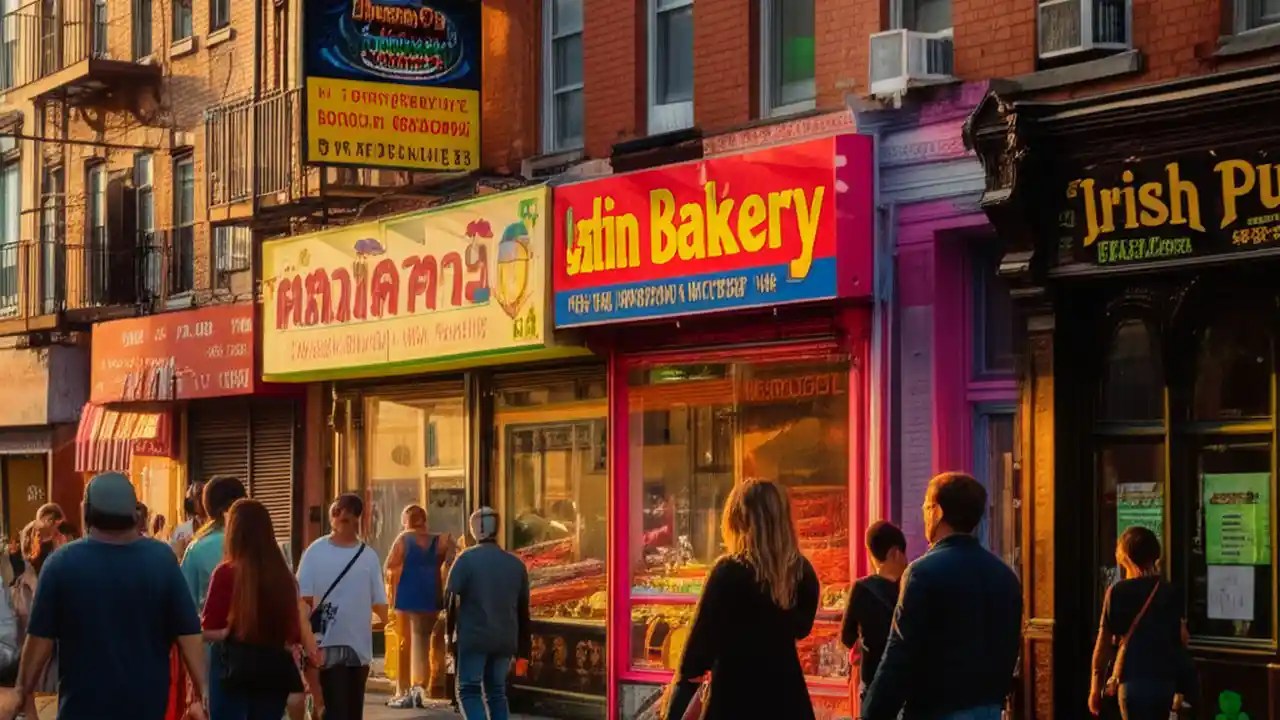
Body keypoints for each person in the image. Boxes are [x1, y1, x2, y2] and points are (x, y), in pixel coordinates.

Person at [4, 471, 207, 720]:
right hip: (146, 707)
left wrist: (22, 693)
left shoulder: (61, 564)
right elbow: (189, 635)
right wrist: (203, 692)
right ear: (134, 513)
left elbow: (39, 641)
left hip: (81, 709)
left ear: (86, 512)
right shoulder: (161, 560)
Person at [862, 472, 1022, 720]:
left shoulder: (922, 573)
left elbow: (899, 656)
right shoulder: (1005, 577)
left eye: (927, 506)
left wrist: (873, 714)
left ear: (937, 512)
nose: (924, 514)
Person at [662, 479, 820, 720]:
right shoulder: (802, 573)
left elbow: (693, 661)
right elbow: (802, 628)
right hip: (788, 702)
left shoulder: (728, 573)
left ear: (738, 521)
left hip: (732, 702)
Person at [202, 499, 314, 720]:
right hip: (272, 670)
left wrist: (226, 632)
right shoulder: (283, 577)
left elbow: (208, 629)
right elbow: (292, 633)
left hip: (232, 670)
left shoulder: (226, 573)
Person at [298, 493, 388, 720]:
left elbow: (380, 606)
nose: (341, 520)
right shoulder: (317, 552)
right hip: (326, 646)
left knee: (349, 711)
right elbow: (303, 601)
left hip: (357, 651)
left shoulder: (366, 556)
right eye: (338, 514)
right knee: (337, 710)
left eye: (347, 517)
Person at [1089, 526, 1194, 720]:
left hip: (1132, 681)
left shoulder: (1117, 592)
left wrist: (1095, 687)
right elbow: (1183, 639)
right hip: (1164, 682)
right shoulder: (1168, 591)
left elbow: (1102, 644)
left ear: (1125, 556)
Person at [445, 507, 530, 720]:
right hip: (505, 637)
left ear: (473, 531)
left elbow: (450, 601)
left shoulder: (465, 560)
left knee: (469, 690)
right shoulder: (516, 565)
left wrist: (449, 637)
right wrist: (523, 652)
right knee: (497, 691)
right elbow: (523, 611)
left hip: (474, 636)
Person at [384, 504, 454, 708]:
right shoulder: (441, 540)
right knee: (427, 641)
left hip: (407, 596)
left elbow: (389, 565)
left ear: (406, 520)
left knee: (405, 644)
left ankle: (404, 689)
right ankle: (425, 685)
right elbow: (452, 558)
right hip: (431, 595)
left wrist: (392, 584)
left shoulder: (403, 539)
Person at [841, 520, 907, 705]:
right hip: (904, 685)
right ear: (895, 553)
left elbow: (846, 637)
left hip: (873, 684)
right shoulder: (909, 587)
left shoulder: (861, 589)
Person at [183, 476, 248, 610]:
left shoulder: (197, 549)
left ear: (207, 506)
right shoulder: (264, 541)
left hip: (211, 628)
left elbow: (186, 603)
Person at [172, 480, 209, 559]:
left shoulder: (218, 527)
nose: (201, 500)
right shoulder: (181, 531)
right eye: (197, 496)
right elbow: (175, 557)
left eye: (202, 495)